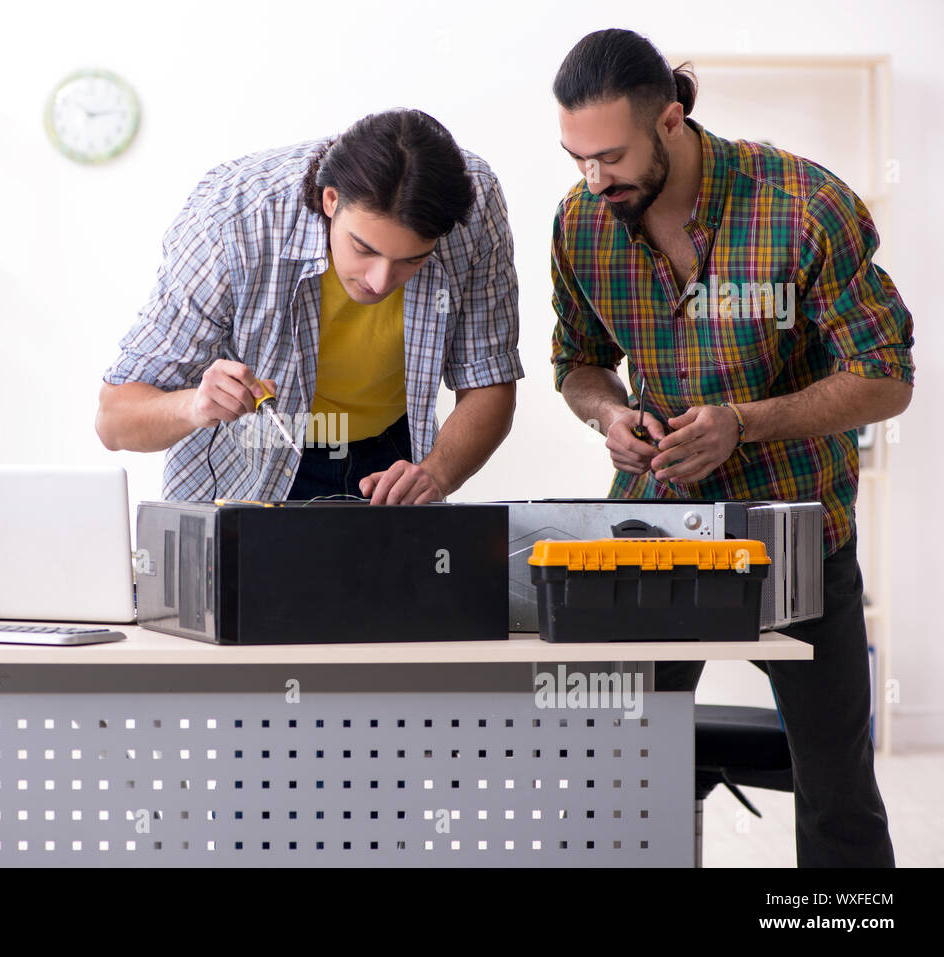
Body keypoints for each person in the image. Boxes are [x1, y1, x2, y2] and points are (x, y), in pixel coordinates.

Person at [549, 29, 913, 866]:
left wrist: (742, 423)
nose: (592, 179)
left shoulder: (805, 206)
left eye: (609, 156)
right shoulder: (581, 224)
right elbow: (580, 366)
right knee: (624, 779)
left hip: (799, 536)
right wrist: (608, 416)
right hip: (650, 539)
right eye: (576, 158)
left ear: (671, 120)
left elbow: (887, 376)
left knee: (837, 793)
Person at [96, 109, 521, 503]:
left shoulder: (473, 203)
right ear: (331, 201)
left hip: (393, 459)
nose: (380, 282)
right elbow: (115, 420)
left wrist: (437, 473)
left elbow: (489, 379)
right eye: (363, 248)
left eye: (412, 260)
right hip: (250, 462)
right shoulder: (233, 224)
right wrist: (193, 405)